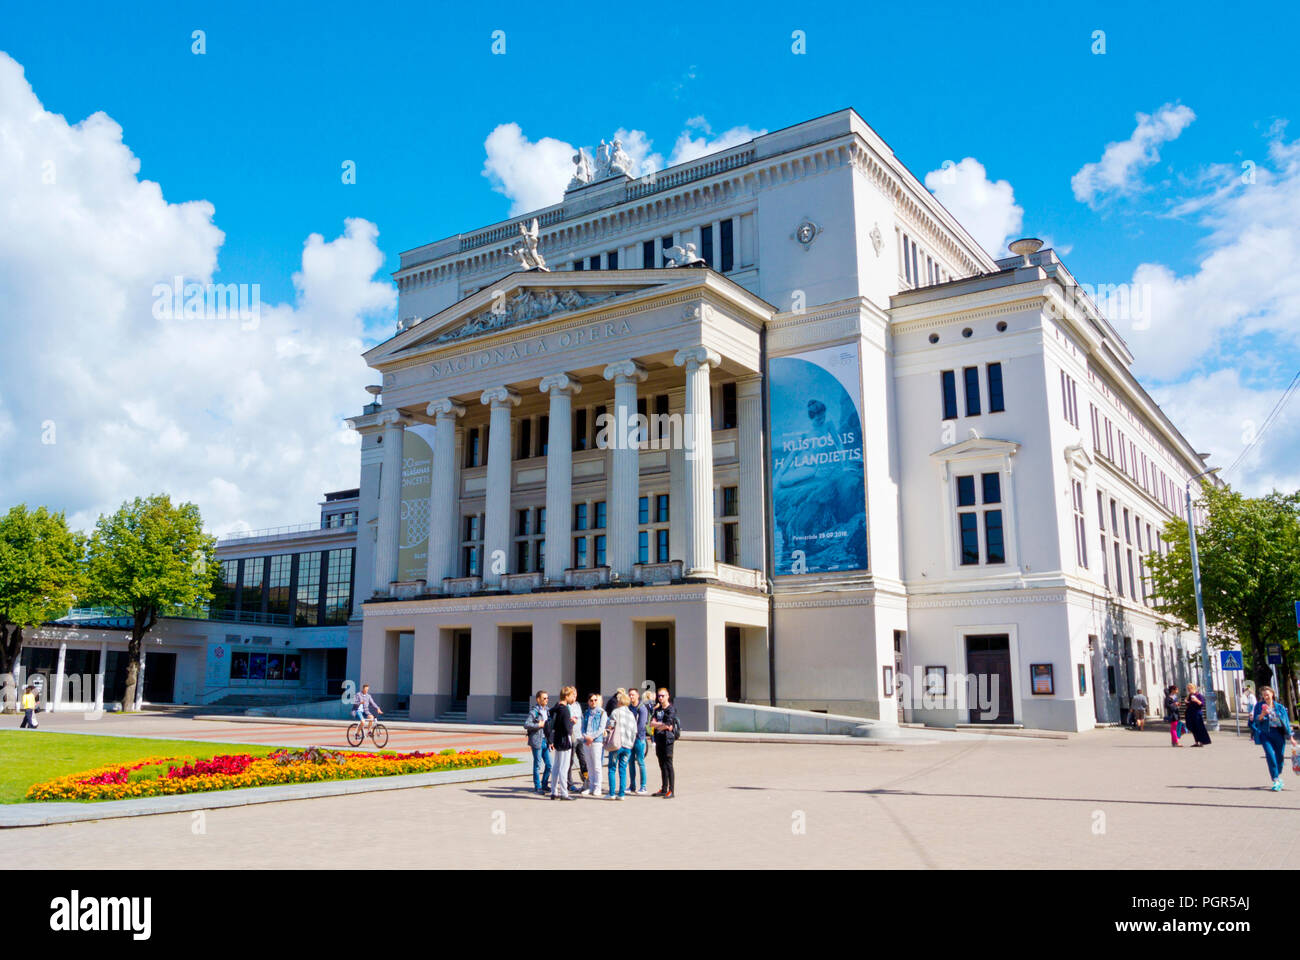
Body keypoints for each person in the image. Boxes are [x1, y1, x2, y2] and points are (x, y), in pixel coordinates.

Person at [1250, 686, 1297, 791]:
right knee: (1270, 755)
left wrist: (1291, 738)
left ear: (1272, 694)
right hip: (1265, 734)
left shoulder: (1279, 707)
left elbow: (1286, 722)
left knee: (1280, 757)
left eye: (1267, 694)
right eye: (1263, 695)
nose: (1265, 696)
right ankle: (1276, 779)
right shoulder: (1259, 706)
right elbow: (1256, 721)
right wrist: (1262, 714)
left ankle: (1277, 773)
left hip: (1278, 734)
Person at [605, 692, 637, 800]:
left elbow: (610, 726)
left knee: (612, 768)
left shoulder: (615, 712)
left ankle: (612, 793)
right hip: (627, 746)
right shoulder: (631, 714)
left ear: (619, 701)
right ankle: (622, 794)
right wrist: (631, 743)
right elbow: (634, 731)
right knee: (623, 769)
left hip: (616, 745)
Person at [549, 687, 579, 800]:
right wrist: (573, 723)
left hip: (557, 739)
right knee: (564, 767)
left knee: (556, 765)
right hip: (564, 740)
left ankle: (554, 791)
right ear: (566, 696)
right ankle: (564, 793)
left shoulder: (556, 708)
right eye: (572, 696)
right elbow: (567, 729)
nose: (573, 698)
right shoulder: (565, 709)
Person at [649, 687, 678, 798]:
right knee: (662, 765)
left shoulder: (671, 709)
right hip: (659, 739)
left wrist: (660, 724)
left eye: (663, 695)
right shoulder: (657, 710)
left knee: (668, 764)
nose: (660, 698)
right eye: (659, 696)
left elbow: (668, 724)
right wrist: (661, 725)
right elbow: (651, 723)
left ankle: (671, 790)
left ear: (668, 696)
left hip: (668, 740)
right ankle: (664, 788)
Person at [525, 690, 552, 795]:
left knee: (549, 765)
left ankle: (544, 784)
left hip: (546, 741)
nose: (546, 700)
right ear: (538, 699)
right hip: (537, 740)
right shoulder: (534, 712)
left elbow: (549, 727)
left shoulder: (548, 711)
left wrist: (551, 741)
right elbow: (526, 724)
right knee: (537, 765)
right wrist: (538, 725)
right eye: (544, 698)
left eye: (547, 698)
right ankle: (538, 787)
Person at [580, 693, 607, 796]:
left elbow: (601, 728)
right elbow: (582, 727)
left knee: (596, 765)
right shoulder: (586, 712)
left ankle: (597, 787)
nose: (593, 702)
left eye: (595, 700)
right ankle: (590, 787)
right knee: (589, 765)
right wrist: (585, 736)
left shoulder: (602, 713)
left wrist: (592, 737)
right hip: (586, 741)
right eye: (591, 700)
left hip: (596, 741)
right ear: (588, 702)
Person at [627, 687, 650, 795]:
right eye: (630, 695)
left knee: (640, 762)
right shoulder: (628, 707)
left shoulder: (642, 708)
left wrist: (632, 733)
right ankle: (632, 785)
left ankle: (643, 786)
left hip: (639, 739)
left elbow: (641, 725)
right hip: (629, 739)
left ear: (638, 696)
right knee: (630, 762)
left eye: (633, 695)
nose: (631, 697)